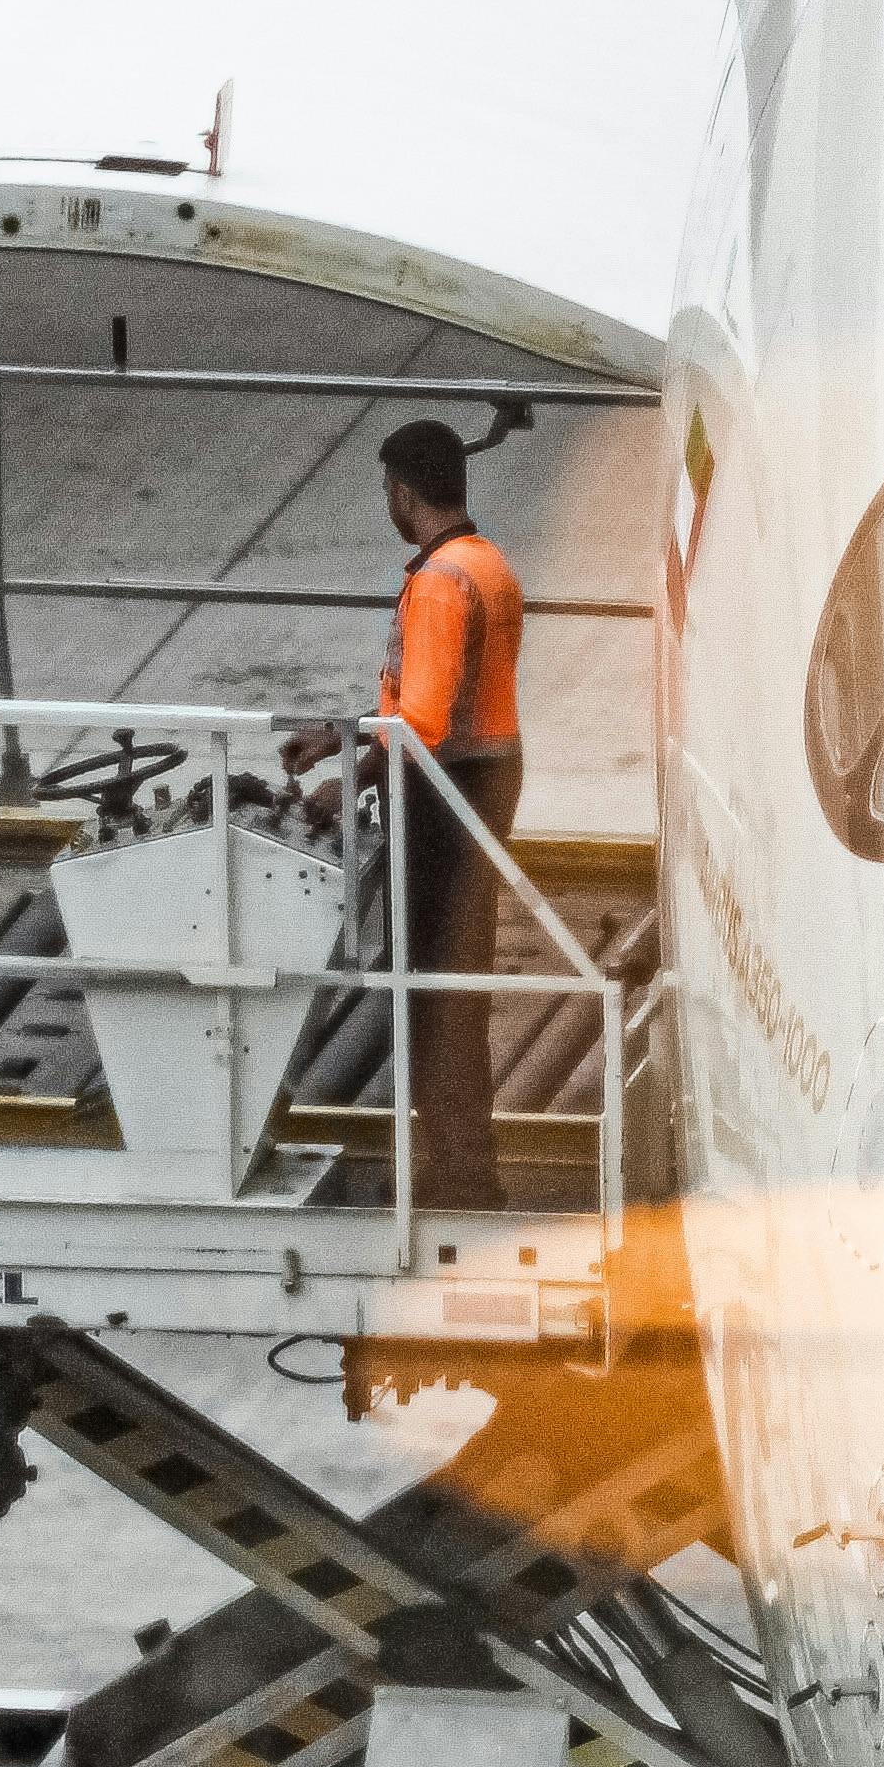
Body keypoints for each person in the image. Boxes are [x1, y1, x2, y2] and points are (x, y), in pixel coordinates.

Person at [286, 421, 523, 1205]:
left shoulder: (438, 585)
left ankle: (457, 1174)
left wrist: (346, 779)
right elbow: (430, 698)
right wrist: (338, 735)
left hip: (443, 800)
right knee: (454, 981)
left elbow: (419, 721)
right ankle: (462, 1161)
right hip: (481, 785)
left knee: (431, 990)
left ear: (403, 493)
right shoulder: (484, 566)